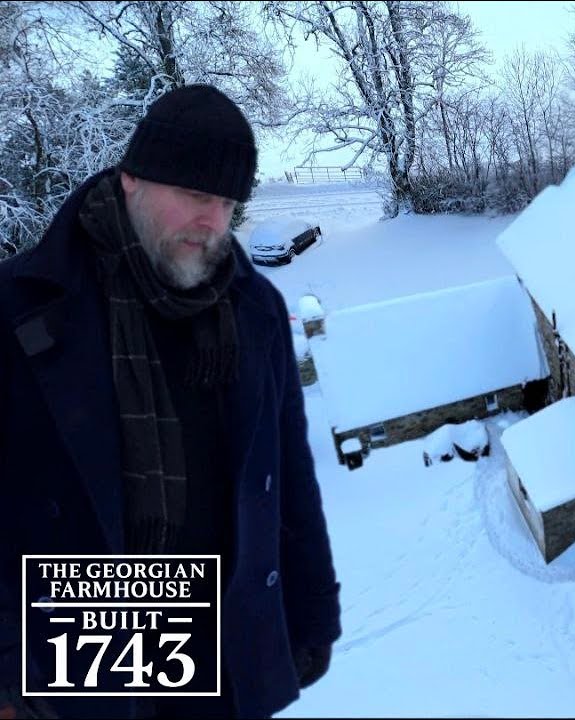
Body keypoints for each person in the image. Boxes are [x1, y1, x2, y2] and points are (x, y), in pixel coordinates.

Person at [0, 85, 341, 718]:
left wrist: (313, 612)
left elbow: (288, 474)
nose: (212, 221)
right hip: (76, 657)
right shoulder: (21, 308)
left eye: (226, 201)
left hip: (220, 648)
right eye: (193, 194)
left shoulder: (255, 310)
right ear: (131, 179)